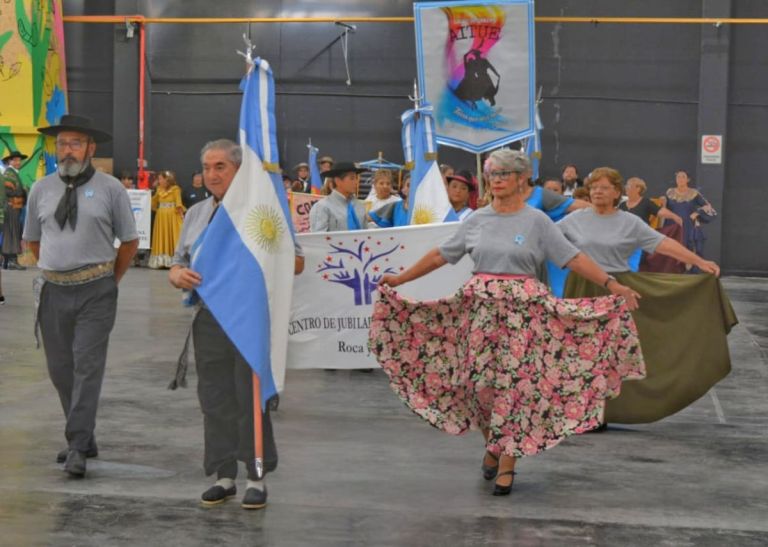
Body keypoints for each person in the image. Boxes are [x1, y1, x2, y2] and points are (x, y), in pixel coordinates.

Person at [369, 149, 645, 497]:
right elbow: (442, 254)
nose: (497, 180)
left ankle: (507, 463)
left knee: (515, 388)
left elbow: (572, 257)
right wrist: (401, 278)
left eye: (504, 174)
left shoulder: (537, 221)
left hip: (523, 317)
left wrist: (612, 284)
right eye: (492, 174)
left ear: (521, 179)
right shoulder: (477, 219)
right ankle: (493, 444)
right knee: (478, 387)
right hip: (480, 314)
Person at [169, 139, 304, 510]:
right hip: (208, 319)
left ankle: (256, 477)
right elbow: (178, 262)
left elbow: (297, 262)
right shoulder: (196, 214)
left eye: (221, 167)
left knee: (250, 398)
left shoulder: (262, 211)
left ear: (239, 171)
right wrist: (177, 274)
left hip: (249, 320)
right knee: (214, 398)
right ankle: (223, 475)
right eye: (207, 168)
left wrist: (268, 255)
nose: (212, 175)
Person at [559, 167, 735, 424]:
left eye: (604, 187)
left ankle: (607, 411)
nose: (597, 192)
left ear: (617, 192)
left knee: (612, 352)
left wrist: (699, 261)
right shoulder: (574, 220)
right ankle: (583, 411)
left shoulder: (630, 222)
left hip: (618, 290)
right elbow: (545, 240)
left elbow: (663, 244)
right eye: (594, 187)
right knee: (579, 351)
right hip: (581, 288)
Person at [23, 114, 138, 477]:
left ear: (91, 148)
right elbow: (33, 240)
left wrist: (109, 281)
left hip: (96, 291)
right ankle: (85, 437)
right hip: (52, 291)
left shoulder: (111, 189)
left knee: (87, 367)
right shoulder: (41, 189)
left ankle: (76, 444)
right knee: (60, 370)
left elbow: (129, 241)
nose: (67, 150)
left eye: (75, 143)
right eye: (62, 143)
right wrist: (57, 268)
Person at [661, 170, 716, 267]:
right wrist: (662, 203)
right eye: (678, 177)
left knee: (687, 249)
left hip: (688, 226)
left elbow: (708, 206)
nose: (680, 179)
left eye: (683, 177)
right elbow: (664, 209)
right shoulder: (670, 193)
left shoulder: (693, 193)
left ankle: (688, 271)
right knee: (671, 249)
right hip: (672, 226)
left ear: (688, 179)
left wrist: (697, 212)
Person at [309, 161, 368, 232]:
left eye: (356, 178)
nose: (356, 182)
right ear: (338, 181)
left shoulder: (359, 206)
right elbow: (318, 237)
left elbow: (366, 234)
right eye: (352, 178)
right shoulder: (322, 207)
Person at [148, 170, 185, 269]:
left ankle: (174, 261)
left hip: (172, 216)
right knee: (162, 235)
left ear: (166, 180)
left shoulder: (175, 189)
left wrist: (181, 216)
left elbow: (178, 203)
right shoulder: (159, 189)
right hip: (161, 217)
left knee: (174, 235)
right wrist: (149, 192)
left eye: (160, 179)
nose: (159, 181)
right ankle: (162, 261)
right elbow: (153, 202)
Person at [2, 150, 28, 270]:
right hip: (11, 206)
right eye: (15, 160)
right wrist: (23, 191)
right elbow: (8, 191)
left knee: (11, 233)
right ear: (9, 161)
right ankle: (12, 261)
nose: (18, 162)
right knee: (12, 233)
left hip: (14, 207)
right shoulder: (9, 174)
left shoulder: (13, 173)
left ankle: (7, 261)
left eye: (19, 160)